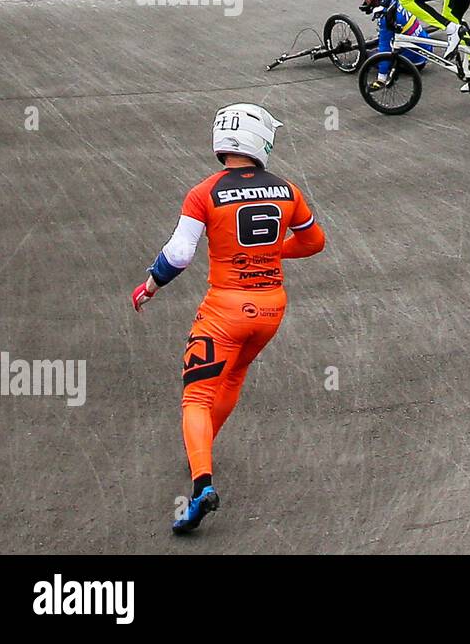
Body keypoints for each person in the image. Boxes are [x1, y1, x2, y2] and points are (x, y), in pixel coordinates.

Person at [131, 105, 326, 535]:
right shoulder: (287, 190)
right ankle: (202, 448)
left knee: (196, 398)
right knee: (234, 377)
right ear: (262, 141)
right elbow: (314, 242)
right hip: (271, 309)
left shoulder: (204, 192)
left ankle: (203, 483)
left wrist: (149, 285)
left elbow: (180, 254)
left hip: (224, 311)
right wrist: (273, 252)